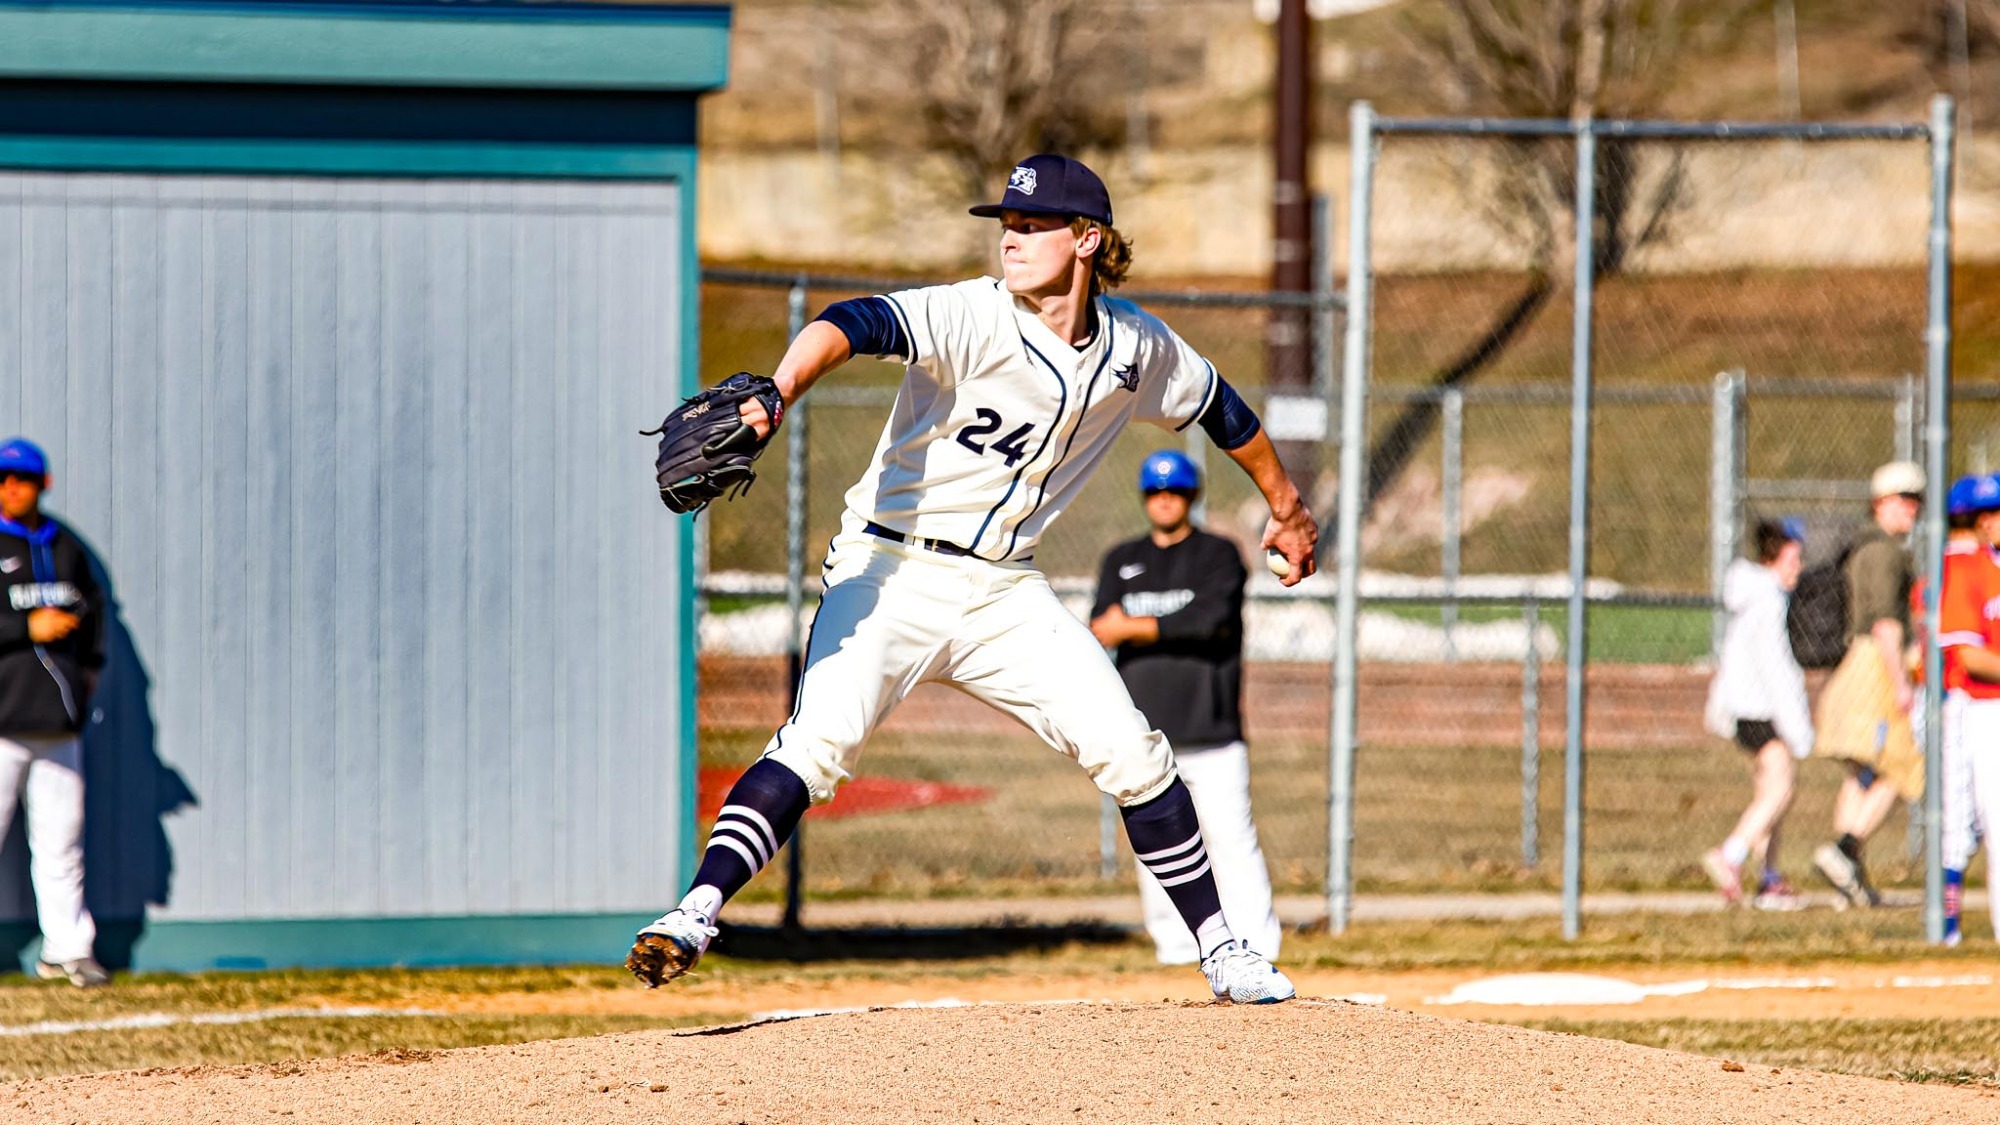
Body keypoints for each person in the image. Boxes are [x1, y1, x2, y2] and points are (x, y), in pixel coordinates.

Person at [627, 154, 1318, 1004]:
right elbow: (853, 320)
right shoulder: (972, 314)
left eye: (1032, 226)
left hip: (1004, 592)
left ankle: (1223, 949)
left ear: (1088, 240)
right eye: (1006, 225)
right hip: (890, 570)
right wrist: (778, 388)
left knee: (1134, 753)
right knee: (817, 744)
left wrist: (1286, 508)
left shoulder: (1135, 345)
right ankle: (695, 912)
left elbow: (1223, 408)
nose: (1012, 240)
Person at [1090, 449, 1281, 963]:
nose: (1165, 499)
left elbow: (1211, 621)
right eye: (1155, 491)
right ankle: (1175, 951)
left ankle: (1258, 947)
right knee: (1161, 846)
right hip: (1148, 735)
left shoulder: (1218, 554)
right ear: (1144, 498)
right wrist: (1144, 627)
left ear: (1191, 496)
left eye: (1174, 491)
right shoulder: (1121, 559)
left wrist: (1137, 626)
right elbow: (1100, 625)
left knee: (1232, 842)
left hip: (1212, 730)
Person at [0, 438, 108, 987]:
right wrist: (26, 628)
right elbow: (29, 625)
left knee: (62, 842)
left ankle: (66, 950)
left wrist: (89, 672)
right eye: (2, 477)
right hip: (2, 725)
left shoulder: (66, 545)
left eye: (21, 477)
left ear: (44, 483)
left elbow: (93, 617)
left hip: (57, 723)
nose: (10, 486)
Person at [1811, 460, 1926, 909]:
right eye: (1904, 501)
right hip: (1877, 665)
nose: (1912, 510)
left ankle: (1848, 877)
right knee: (1902, 768)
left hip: (1862, 663)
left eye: (1916, 501)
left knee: (1864, 771)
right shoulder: (1883, 553)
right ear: (1881, 503)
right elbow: (1885, 624)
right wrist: (1901, 683)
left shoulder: (1864, 548)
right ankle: (1845, 850)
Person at [1701, 519, 1812, 910]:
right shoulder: (1766, 601)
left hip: (1747, 707)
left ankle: (1768, 879)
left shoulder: (1758, 598)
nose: (1797, 568)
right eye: (1792, 559)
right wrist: (1797, 727)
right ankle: (1730, 856)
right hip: (1758, 710)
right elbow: (1775, 669)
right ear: (1772, 559)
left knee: (1771, 791)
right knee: (1780, 788)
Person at [1926, 474, 2000, 943]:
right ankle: (1948, 928)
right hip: (1973, 708)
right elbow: (1966, 655)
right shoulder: (1963, 568)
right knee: (1965, 820)